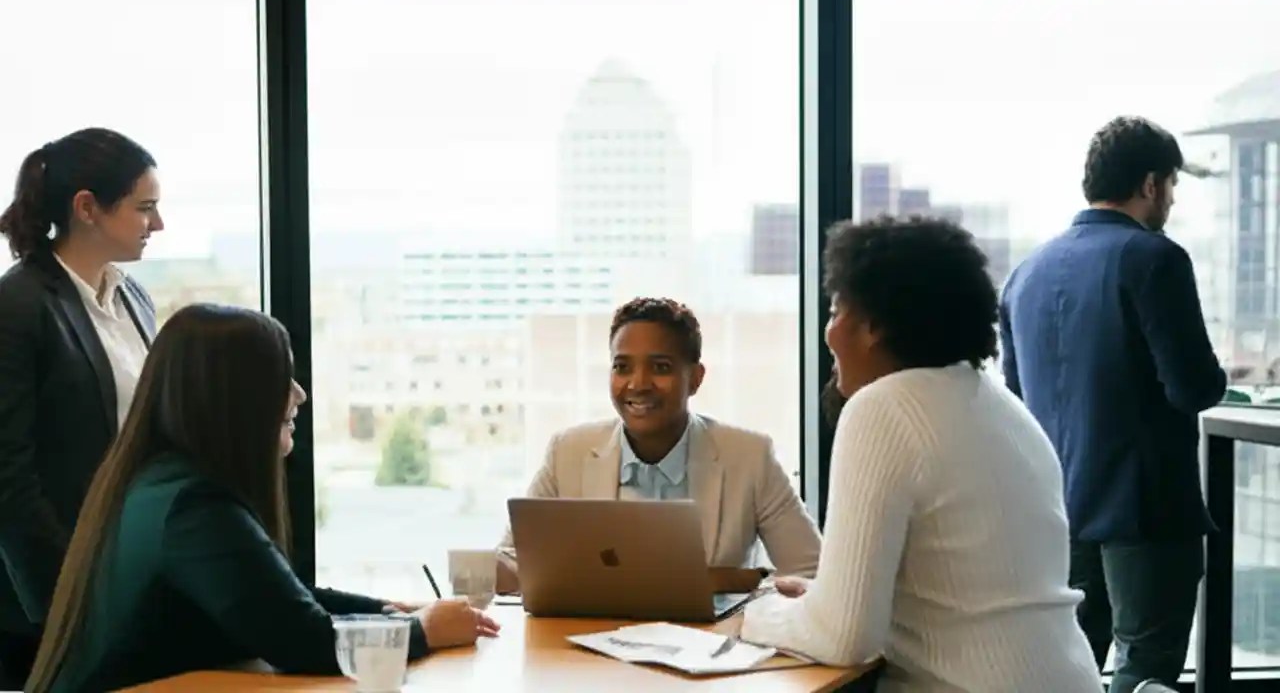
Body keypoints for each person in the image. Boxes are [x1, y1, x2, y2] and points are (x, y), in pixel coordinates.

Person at [24, 304, 499, 692]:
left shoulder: (160, 484)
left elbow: (277, 598)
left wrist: (390, 611)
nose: (299, 394)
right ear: (233, 397)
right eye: (281, 378)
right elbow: (301, 640)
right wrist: (423, 630)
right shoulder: (194, 508)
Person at [736, 217, 1100, 692]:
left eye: (835, 311)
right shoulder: (999, 406)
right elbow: (961, 597)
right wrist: (823, 601)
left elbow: (842, 638)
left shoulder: (882, 407)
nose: (828, 334)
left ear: (873, 326)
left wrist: (757, 615)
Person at [999, 116, 1226, 692]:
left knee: (1067, 665)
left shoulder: (1025, 274)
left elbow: (1018, 399)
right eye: (1171, 185)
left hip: (1063, 509)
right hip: (1146, 510)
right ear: (1151, 183)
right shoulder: (1154, 258)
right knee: (1146, 665)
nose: (1171, 200)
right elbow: (1193, 388)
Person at [496, 297, 821, 591]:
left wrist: (739, 580)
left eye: (660, 367)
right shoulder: (567, 451)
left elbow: (812, 573)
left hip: (707, 648)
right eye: (622, 367)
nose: (638, 384)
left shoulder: (750, 457)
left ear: (695, 378)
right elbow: (511, 560)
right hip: (585, 646)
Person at [0, 128, 164, 687]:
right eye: (145, 208)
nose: (157, 225)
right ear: (87, 208)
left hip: (126, 579)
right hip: (54, 602)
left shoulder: (134, 296)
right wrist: (66, 604)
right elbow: (9, 477)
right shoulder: (17, 304)